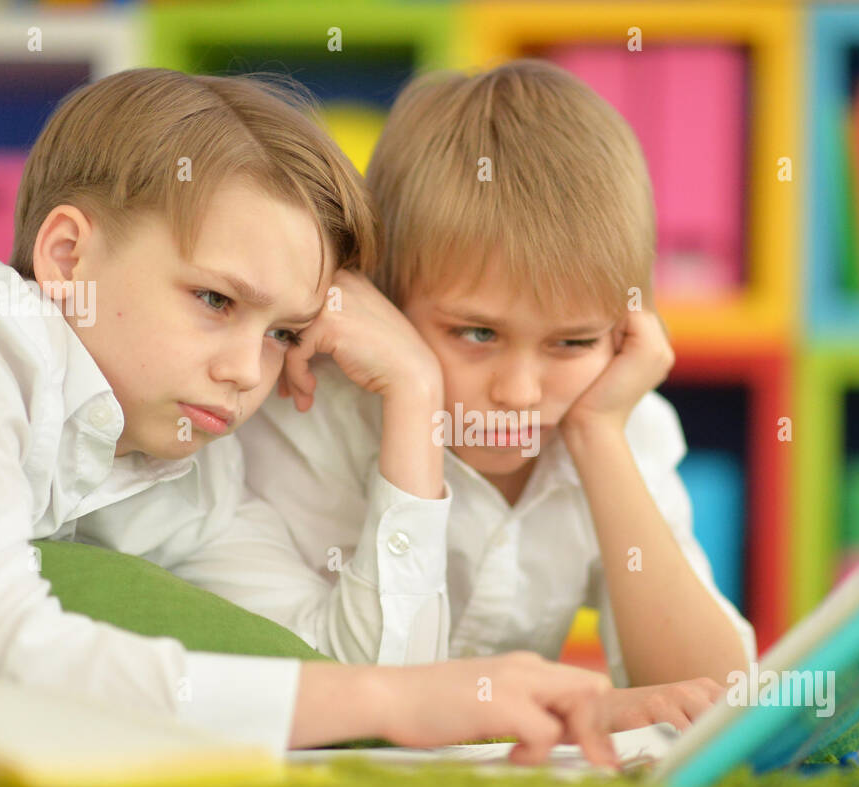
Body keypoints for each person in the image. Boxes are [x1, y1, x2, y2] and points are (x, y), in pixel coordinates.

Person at [0, 67, 622, 767]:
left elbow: (370, 685)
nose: (249, 373)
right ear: (68, 257)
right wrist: (386, 703)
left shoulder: (194, 465)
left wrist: (415, 392)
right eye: (215, 300)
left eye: (284, 332)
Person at [236, 60, 753, 731]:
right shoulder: (309, 418)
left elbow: (716, 695)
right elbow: (347, 695)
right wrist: (416, 397)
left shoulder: (617, 417)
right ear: (384, 298)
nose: (519, 392)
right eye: (477, 333)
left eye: (572, 343)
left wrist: (597, 437)